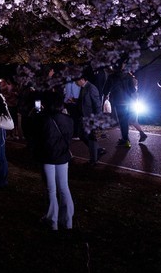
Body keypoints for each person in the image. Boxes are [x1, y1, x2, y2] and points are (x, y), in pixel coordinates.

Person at [34, 90, 75, 231]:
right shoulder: (68, 119)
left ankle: (53, 221)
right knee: (64, 188)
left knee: (51, 190)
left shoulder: (43, 120)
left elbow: (39, 139)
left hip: (48, 157)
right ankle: (68, 221)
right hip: (63, 157)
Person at [106, 62, 147, 148]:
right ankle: (127, 138)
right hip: (129, 101)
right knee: (128, 120)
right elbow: (132, 90)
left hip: (118, 101)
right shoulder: (128, 76)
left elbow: (105, 90)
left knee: (123, 121)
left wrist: (108, 94)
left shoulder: (112, 77)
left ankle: (125, 140)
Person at [75, 75, 107, 165]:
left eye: (76, 81)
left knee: (91, 138)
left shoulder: (91, 88)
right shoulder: (83, 87)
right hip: (84, 116)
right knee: (82, 135)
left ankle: (93, 160)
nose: (75, 83)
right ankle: (98, 150)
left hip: (91, 117)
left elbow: (97, 105)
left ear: (82, 79)